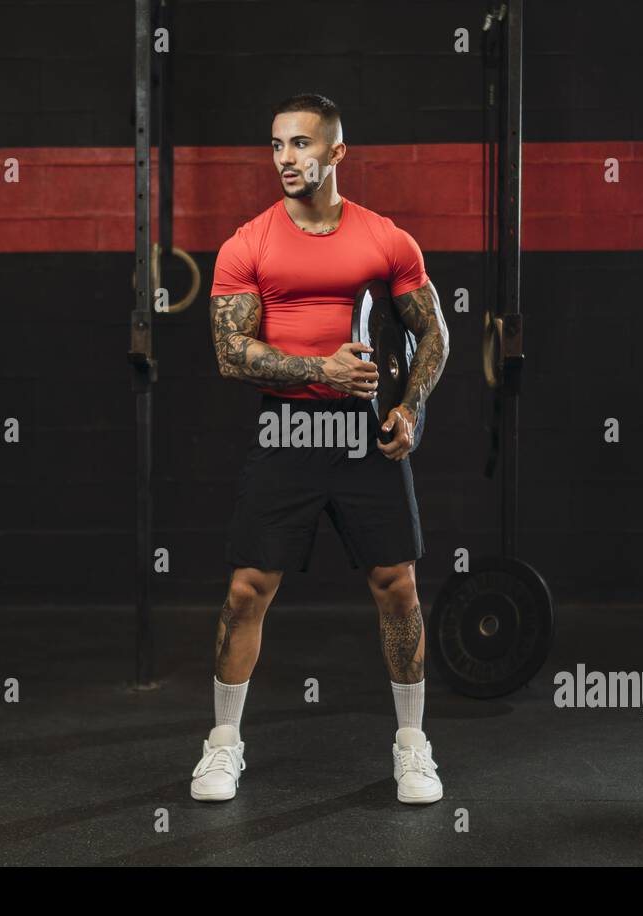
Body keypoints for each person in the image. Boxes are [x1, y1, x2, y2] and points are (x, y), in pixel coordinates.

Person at [193, 93, 449, 805]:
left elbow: (434, 334)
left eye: (302, 144)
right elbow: (229, 353)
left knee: (396, 586)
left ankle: (411, 745)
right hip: (289, 429)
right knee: (248, 589)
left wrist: (409, 406)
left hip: (365, 432)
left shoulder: (387, 239)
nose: (286, 159)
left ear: (337, 153)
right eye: (277, 145)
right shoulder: (248, 244)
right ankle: (222, 745)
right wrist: (318, 369)